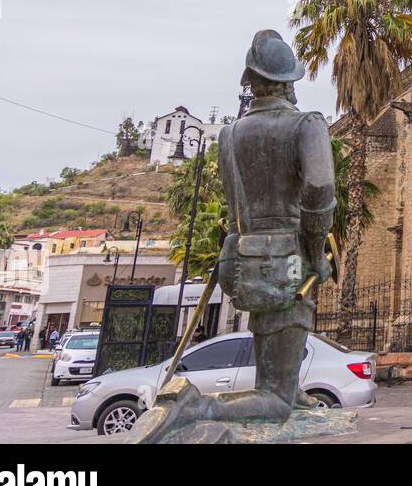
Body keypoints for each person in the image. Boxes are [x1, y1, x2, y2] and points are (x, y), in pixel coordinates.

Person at [135, 29, 335, 441]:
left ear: (252, 80)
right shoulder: (306, 125)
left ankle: (286, 390)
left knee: (273, 349)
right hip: (288, 260)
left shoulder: (229, 135)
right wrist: (315, 253)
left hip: (242, 260)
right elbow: (319, 190)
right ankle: (199, 406)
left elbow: (236, 209)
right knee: (274, 398)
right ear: (288, 83)